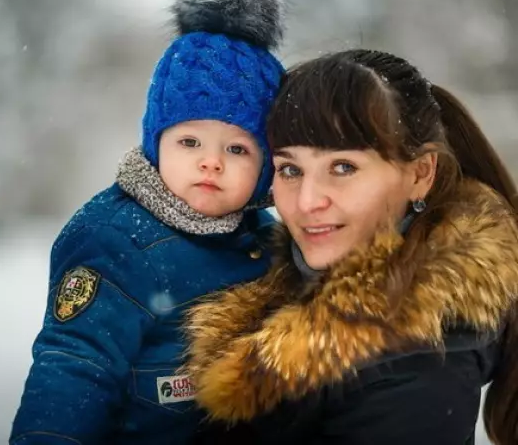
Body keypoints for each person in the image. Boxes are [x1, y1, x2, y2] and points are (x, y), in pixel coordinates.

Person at [183, 49, 518, 445]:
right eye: (290, 169)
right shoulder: (270, 279)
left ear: (421, 173)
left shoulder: (414, 371)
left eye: (343, 167)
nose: (307, 201)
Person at [8, 0, 285, 444]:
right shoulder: (116, 239)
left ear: (265, 167)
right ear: (157, 145)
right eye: (190, 141)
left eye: (237, 149)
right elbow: (75, 365)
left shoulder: (269, 239)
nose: (211, 163)